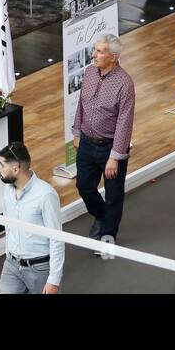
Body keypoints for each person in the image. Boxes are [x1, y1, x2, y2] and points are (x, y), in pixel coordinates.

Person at [71, 34, 134, 244]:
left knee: (114, 195)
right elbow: (81, 104)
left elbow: (124, 123)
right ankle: (102, 216)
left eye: (99, 51)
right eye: (95, 50)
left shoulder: (125, 84)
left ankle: (108, 234)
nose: (94, 55)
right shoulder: (89, 73)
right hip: (87, 143)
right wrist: (77, 132)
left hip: (110, 148)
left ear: (113, 57)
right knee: (84, 186)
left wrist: (114, 157)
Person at [0, 142, 64, 294]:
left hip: (39, 269)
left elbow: (57, 238)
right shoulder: (8, 190)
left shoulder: (46, 195)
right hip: (12, 265)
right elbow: (9, 225)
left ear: (16, 168)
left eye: (2, 165)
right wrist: (9, 252)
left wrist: (54, 279)